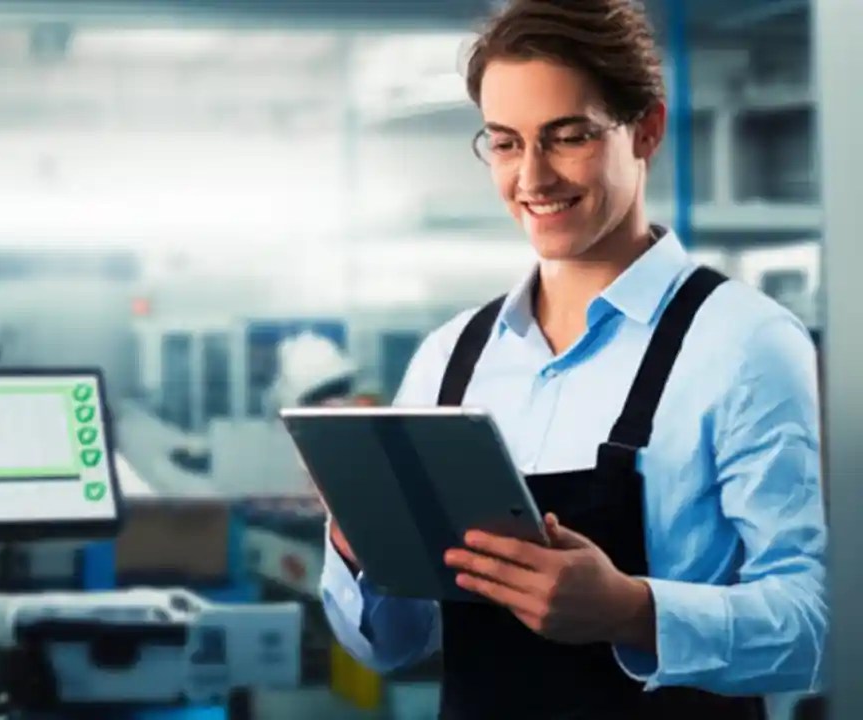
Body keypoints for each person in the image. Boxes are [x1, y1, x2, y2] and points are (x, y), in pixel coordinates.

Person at [318, 1, 828, 718]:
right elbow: (396, 646)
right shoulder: (449, 361)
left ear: (645, 129)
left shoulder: (743, 344)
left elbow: (813, 626)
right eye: (504, 142)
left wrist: (630, 611)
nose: (533, 177)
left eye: (568, 137)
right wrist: (357, 545)